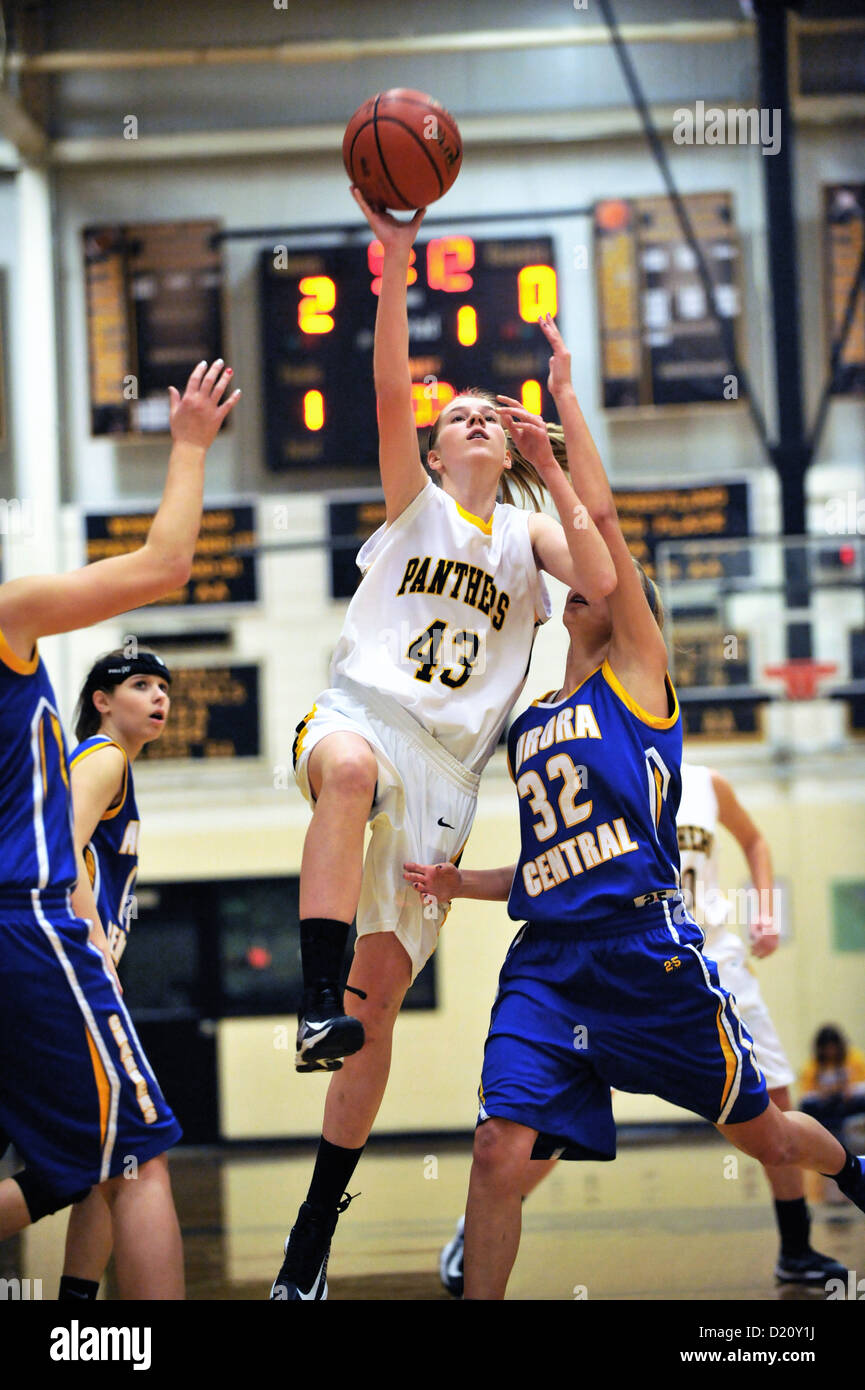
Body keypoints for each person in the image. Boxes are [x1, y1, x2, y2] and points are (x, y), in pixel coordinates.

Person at [403, 314, 865, 1300]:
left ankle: (857, 1175)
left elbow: (602, 533)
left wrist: (559, 420)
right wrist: (455, 881)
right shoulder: (534, 718)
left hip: (647, 952)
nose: (573, 586)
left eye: (587, 586)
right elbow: (538, 868)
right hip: (552, 964)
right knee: (496, 1146)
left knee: (770, 1129)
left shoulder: (639, 678)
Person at [270, 189, 616, 1300]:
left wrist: (555, 437)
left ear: (508, 441)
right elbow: (385, 383)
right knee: (352, 771)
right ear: (429, 440)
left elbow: (604, 581)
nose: (470, 414)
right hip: (363, 716)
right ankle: (313, 991)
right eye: (454, 409)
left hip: (453, 777)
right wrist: (395, 255)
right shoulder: (411, 500)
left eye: (486, 409)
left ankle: (311, 1234)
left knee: (375, 1023)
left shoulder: (525, 532)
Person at [0, 358, 240, 1299]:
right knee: (139, 1149)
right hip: (29, 923)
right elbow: (164, 567)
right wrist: (187, 446)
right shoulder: (12, 616)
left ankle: (80, 1322)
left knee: (75, 1165)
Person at [433, 761, 848, 1294]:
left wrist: (764, 911)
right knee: (558, 1116)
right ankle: (476, 1230)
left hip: (708, 952)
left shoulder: (706, 781)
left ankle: (796, 1248)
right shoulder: (608, 772)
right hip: (632, 956)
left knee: (776, 1099)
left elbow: (756, 841)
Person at [57, 646, 173, 1301]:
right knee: (131, 1152)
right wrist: (96, 945)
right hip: (72, 977)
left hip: (68, 975)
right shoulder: (101, 759)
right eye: (140, 684)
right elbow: (61, 852)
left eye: (163, 687)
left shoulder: (109, 766)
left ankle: (76, 1305)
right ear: (102, 700)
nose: (158, 696)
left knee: (112, 1162)